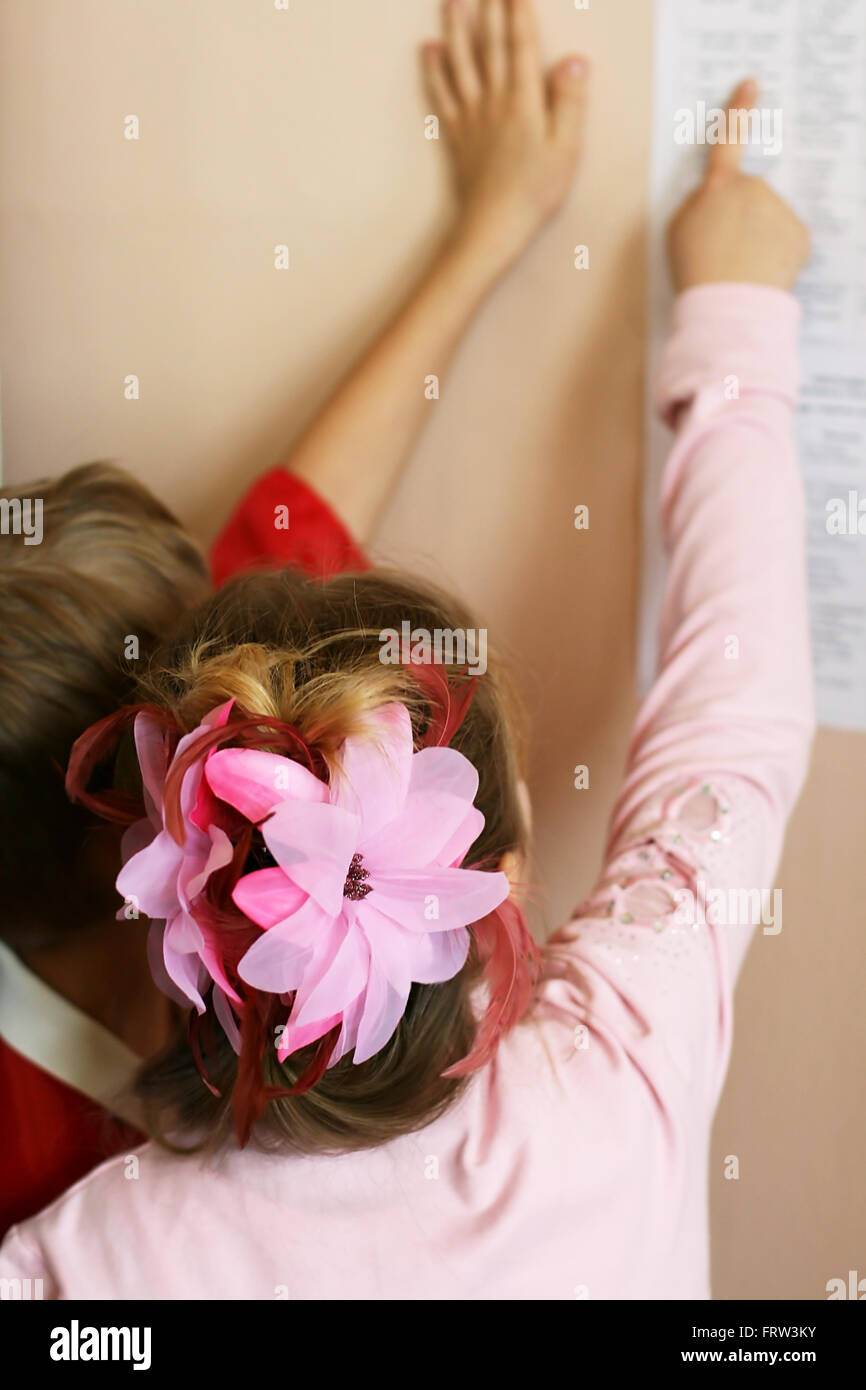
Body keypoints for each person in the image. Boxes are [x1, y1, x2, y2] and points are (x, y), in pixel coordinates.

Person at [0, 0, 813, 1298]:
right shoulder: (619, 1074)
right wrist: (732, 325)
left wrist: (486, 227)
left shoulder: (78, 1262)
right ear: (505, 873)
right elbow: (738, 725)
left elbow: (276, 563)